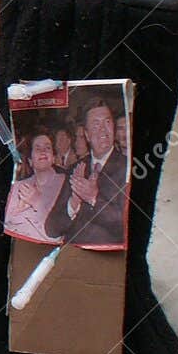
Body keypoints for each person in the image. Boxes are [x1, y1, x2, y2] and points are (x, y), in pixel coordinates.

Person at [45, 98, 129, 248]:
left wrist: (93, 198)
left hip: (105, 255)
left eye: (107, 122)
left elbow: (126, 225)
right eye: (96, 124)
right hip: (71, 252)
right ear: (87, 135)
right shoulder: (76, 168)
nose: (103, 129)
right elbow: (51, 229)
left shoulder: (128, 167)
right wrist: (73, 203)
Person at [3, 132, 69, 243]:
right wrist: (21, 208)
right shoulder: (19, 186)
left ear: (53, 158)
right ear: (30, 161)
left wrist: (36, 202)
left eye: (47, 148)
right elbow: (7, 224)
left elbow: (57, 233)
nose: (43, 151)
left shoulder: (66, 183)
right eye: (37, 148)